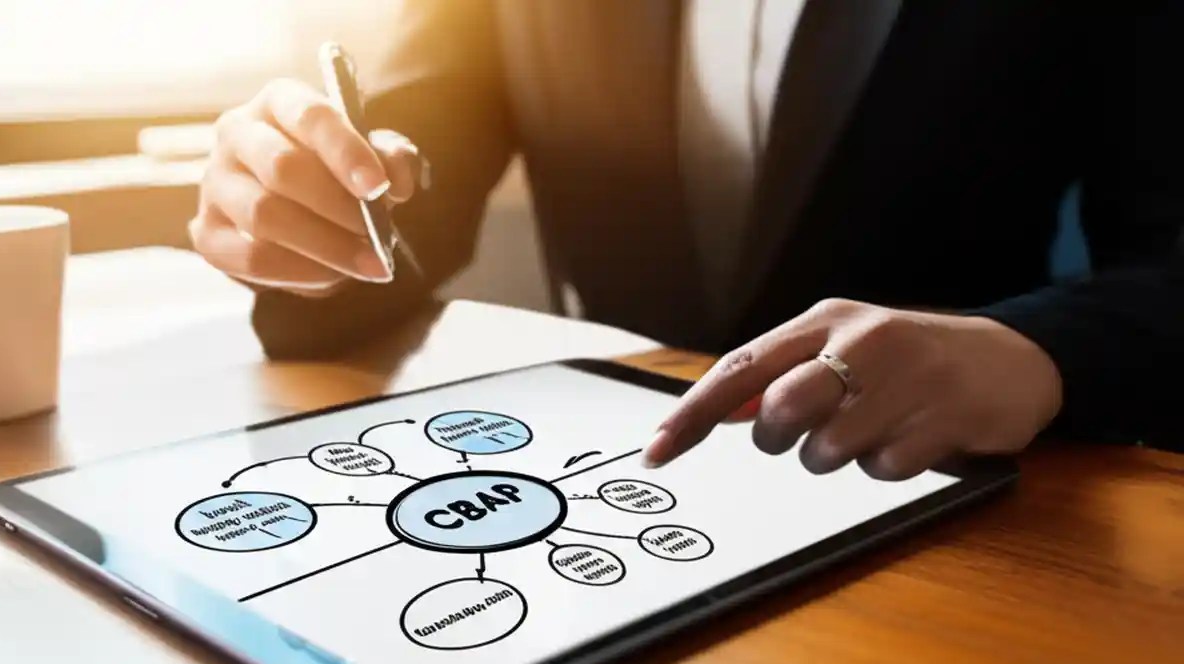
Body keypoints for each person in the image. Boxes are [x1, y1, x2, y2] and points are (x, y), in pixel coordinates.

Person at [190, 1, 1183, 478]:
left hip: (943, 512)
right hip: (594, 501)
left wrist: (1040, 353)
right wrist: (300, 206)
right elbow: (404, 156)